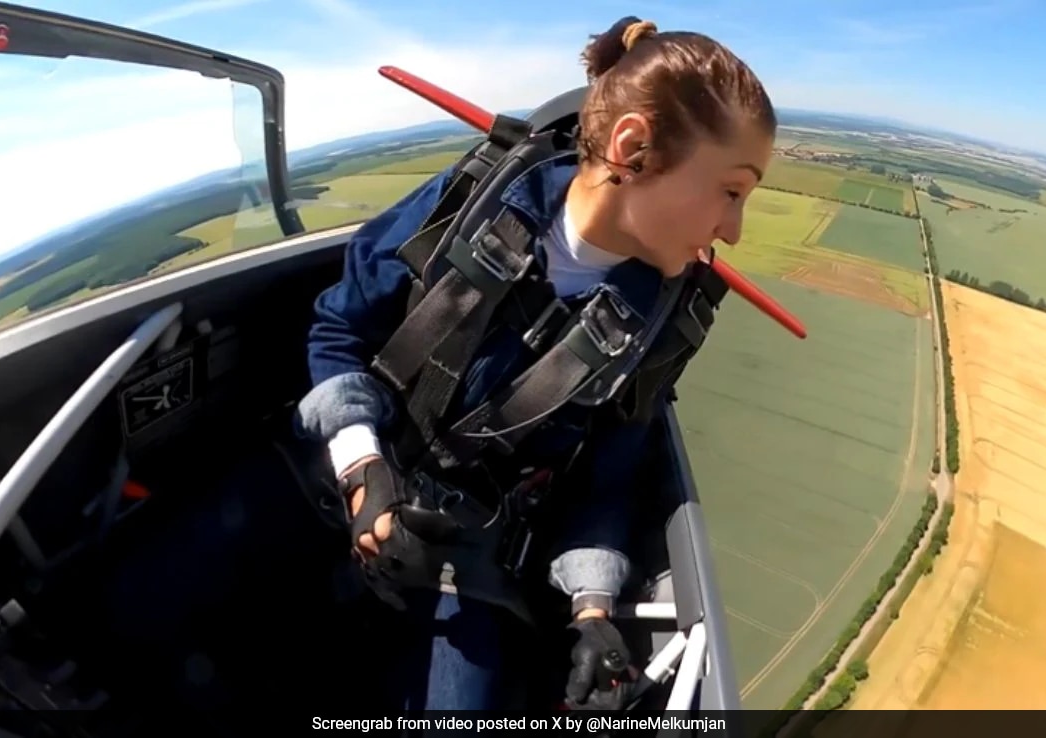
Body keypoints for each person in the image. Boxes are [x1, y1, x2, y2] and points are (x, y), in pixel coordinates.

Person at [295, 15, 776, 713]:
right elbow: (339, 328)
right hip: (340, 482)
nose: (733, 229)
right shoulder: (473, 206)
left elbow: (607, 482)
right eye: (731, 190)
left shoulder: (660, 321)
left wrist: (592, 613)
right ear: (633, 148)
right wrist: (362, 468)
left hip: (468, 561)